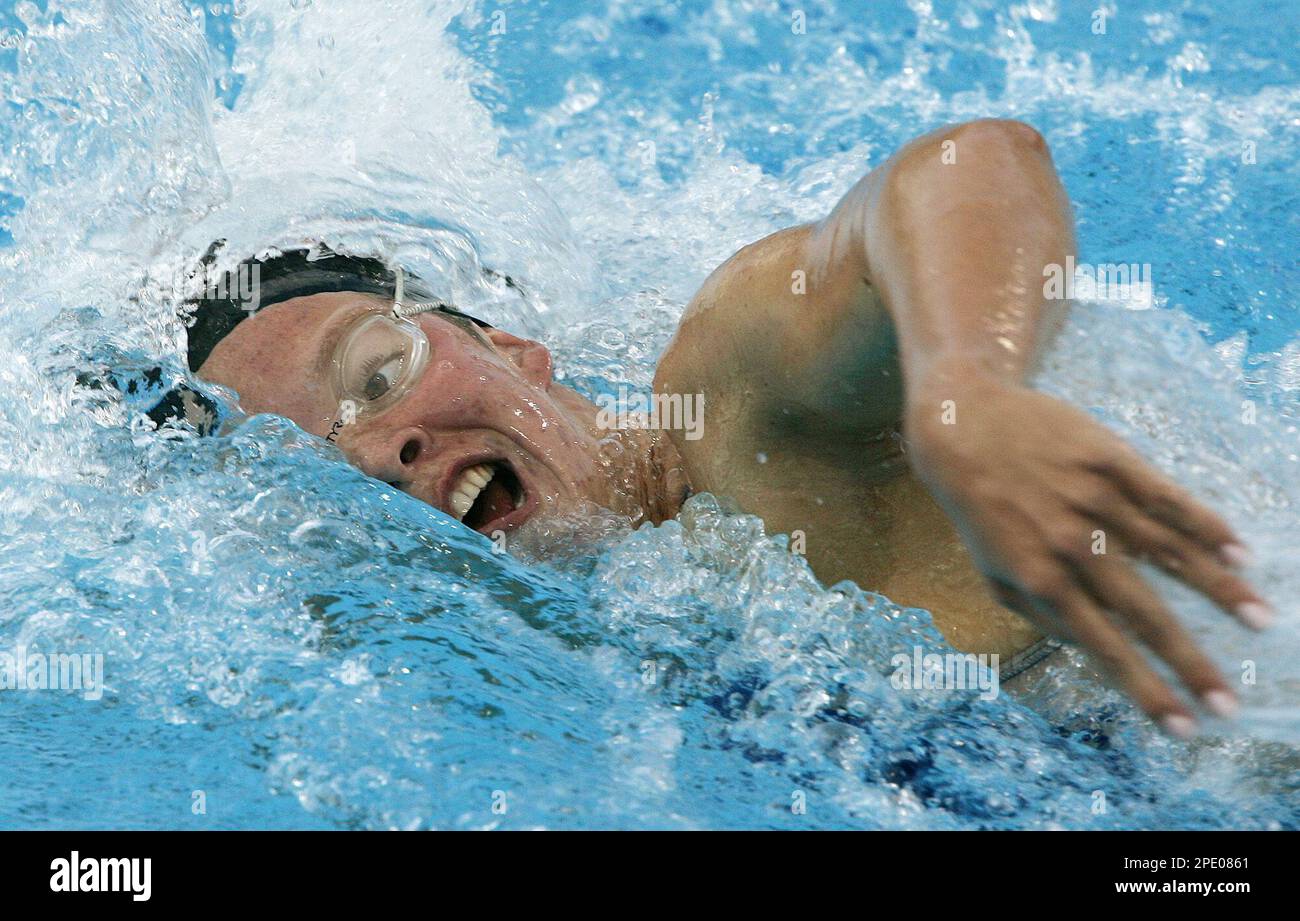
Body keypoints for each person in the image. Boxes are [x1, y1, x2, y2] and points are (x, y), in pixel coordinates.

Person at [174, 119, 1272, 737]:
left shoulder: (736, 405)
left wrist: (965, 396)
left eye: (377, 375)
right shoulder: (604, 653)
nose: (378, 452)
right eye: (322, 461)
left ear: (512, 348)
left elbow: (968, 167)